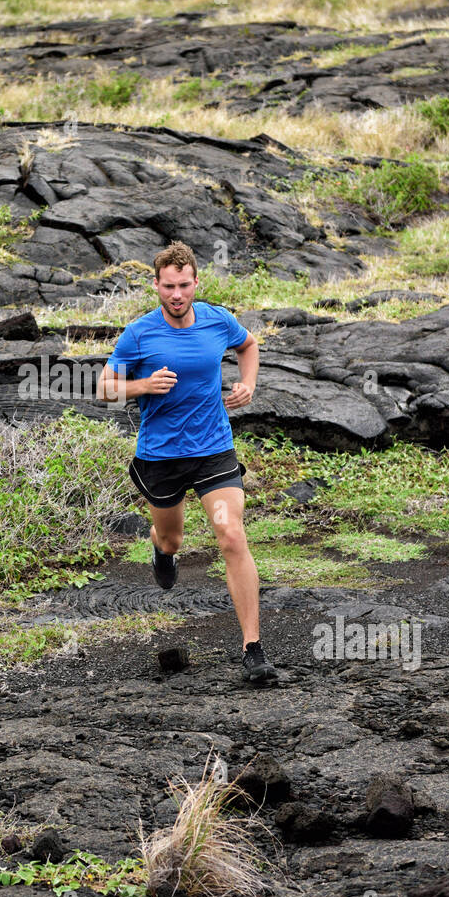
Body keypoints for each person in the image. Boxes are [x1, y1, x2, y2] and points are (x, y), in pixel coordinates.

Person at [95, 240, 278, 685]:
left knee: (231, 534)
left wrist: (248, 384)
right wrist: (143, 386)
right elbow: (104, 389)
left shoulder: (218, 320)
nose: (176, 295)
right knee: (174, 539)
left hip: (213, 451)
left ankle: (253, 648)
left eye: (184, 285)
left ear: (196, 283)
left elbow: (248, 345)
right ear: (156, 286)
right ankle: (161, 548)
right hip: (161, 456)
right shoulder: (139, 333)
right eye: (168, 287)